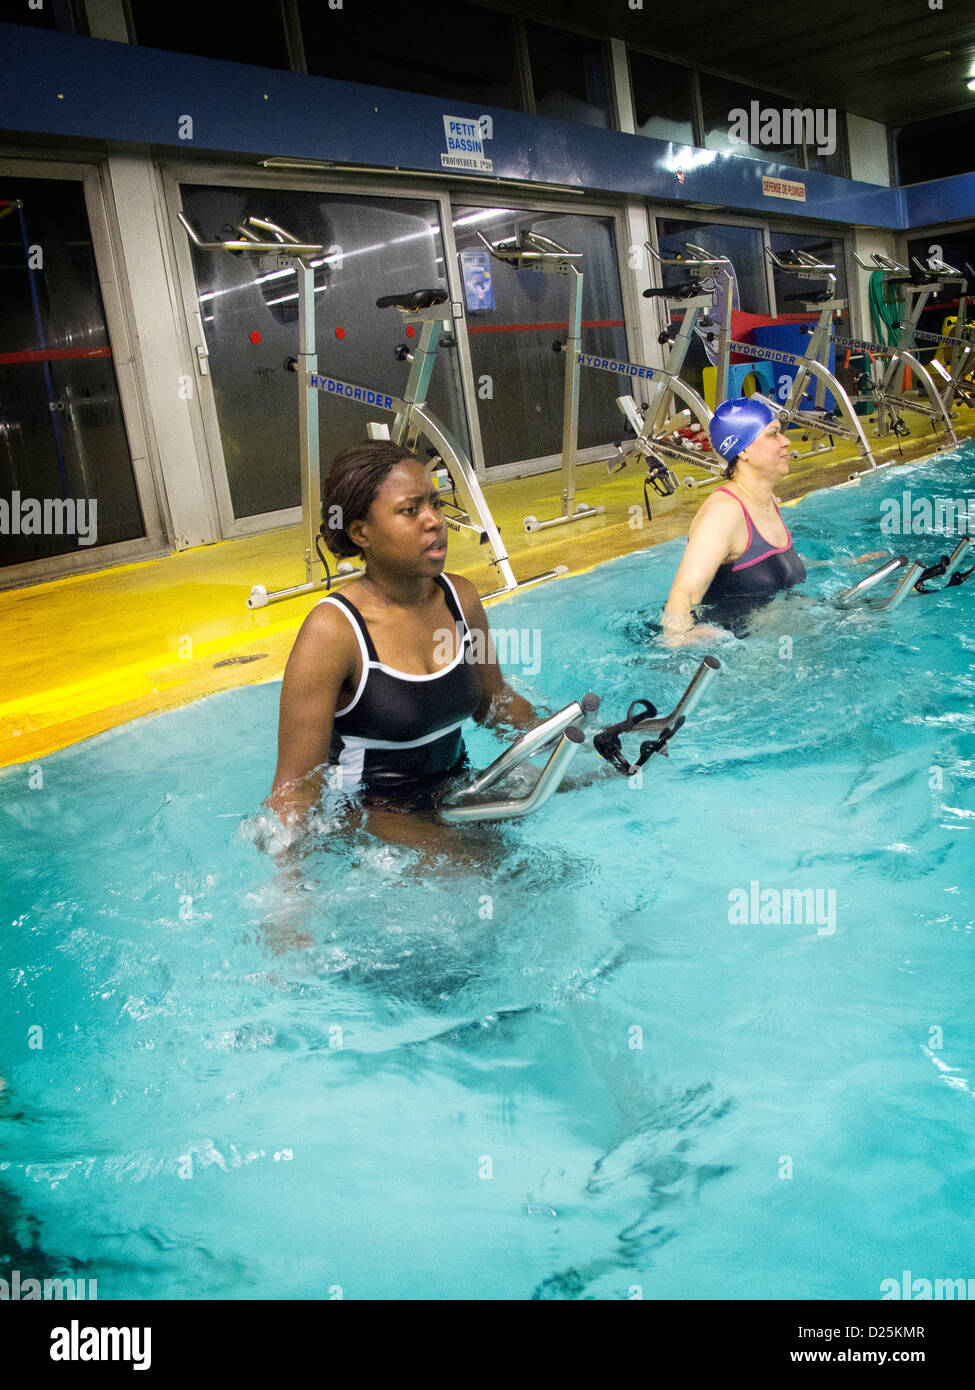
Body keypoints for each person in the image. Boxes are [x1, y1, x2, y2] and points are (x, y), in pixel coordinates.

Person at [266, 440, 538, 843]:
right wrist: (289, 893)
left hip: (454, 790)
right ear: (361, 532)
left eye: (437, 504)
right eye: (410, 511)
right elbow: (295, 789)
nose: (434, 521)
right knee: (503, 877)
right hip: (370, 814)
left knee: (557, 855)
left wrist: (567, 735)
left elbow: (493, 703)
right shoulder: (334, 632)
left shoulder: (460, 599)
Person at [662, 396, 806, 643]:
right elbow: (683, 596)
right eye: (773, 434)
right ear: (744, 450)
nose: (786, 441)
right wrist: (678, 637)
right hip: (735, 652)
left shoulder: (767, 499)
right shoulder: (724, 512)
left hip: (769, 638)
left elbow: (770, 565)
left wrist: (843, 564)